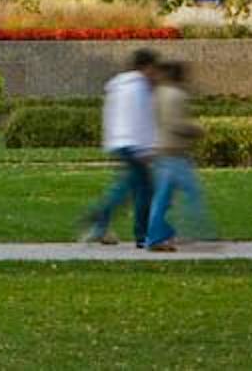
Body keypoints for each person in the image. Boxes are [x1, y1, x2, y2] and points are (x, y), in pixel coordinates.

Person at [80, 48, 157, 246]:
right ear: (146, 67)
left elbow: (110, 116)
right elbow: (141, 119)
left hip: (120, 142)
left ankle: (101, 223)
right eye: (153, 69)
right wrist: (146, 149)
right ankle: (142, 236)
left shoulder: (118, 86)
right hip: (134, 144)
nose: (154, 74)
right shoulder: (139, 88)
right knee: (144, 190)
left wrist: (112, 140)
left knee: (127, 187)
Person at [143, 59, 215, 251]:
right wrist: (197, 130)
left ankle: (157, 237)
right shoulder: (177, 96)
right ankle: (199, 233)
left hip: (161, 152)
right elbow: (176, 124)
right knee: (192, 195)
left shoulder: (158, 94)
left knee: (161, 200)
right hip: (175, 154)